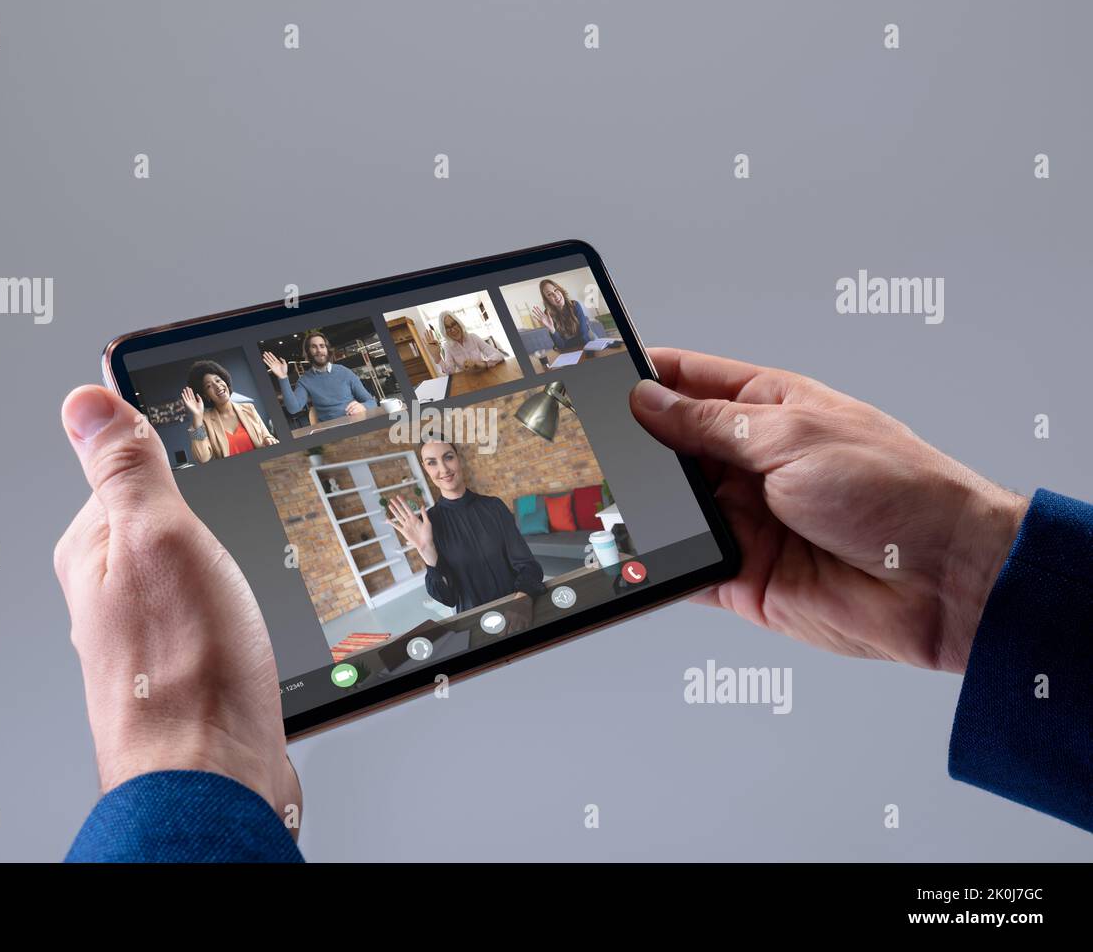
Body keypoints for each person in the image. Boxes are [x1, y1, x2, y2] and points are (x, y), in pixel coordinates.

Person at [57, 348, 1093, 862]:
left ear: (458, 454)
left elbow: (508, 572)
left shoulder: (498, 503)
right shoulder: (435, 523)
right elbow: (463, 590)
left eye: (442, 450)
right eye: (429, 455)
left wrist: (184, 768)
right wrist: (967, 571)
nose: (441, 461)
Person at [385, 440, 544, 614]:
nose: (444, 469)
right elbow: (448, 599)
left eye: (448, 457)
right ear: (425, 468)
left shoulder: (494, 506)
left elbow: (529, 566)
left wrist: (522, 601)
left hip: (517, 607)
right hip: (476, 620)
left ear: (458, 458)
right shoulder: (429, 524)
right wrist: (426, 550)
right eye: (432, 462)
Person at [261, 331, 377, 424]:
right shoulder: (304, 380)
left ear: (327, 349)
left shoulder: (344, 372)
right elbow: (293, 408)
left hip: (355, 422)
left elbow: (371, 402)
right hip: (330, 429)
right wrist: (283, 378)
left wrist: (363, 407)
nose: (319, 350)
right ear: (308, 352)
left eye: (322, 346)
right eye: (314, 347)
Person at [181, 360, 278, 463]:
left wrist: (268, 439)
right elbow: (202, 458)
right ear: (205, 395)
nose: (217, 386)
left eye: (218, 380)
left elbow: (266, 435)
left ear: (225, 382)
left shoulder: (249, 408)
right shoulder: (204, 421)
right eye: (209, 386)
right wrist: (197, 416)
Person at [436, 310, 505, 375]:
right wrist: (436, 357)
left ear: (459, 323)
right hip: (466, 380)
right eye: (447, 327)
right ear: (444, 332)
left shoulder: (473, 337)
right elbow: (450, 371)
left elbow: (499, 355)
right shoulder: (448, 346)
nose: (453, 330)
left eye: (454, 324)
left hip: (483, 373)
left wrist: (480, 364)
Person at [533, 278, 593, 351]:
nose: (555, 295)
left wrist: (566, 344)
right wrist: (551, 329)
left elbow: (583, 336)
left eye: (555, 290)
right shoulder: (548, 314)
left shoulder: (575, 305)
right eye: (549, 294)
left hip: (587, 341)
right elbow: (560, 346)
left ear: (560, 290)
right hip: (571, 349)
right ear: (547, 300)